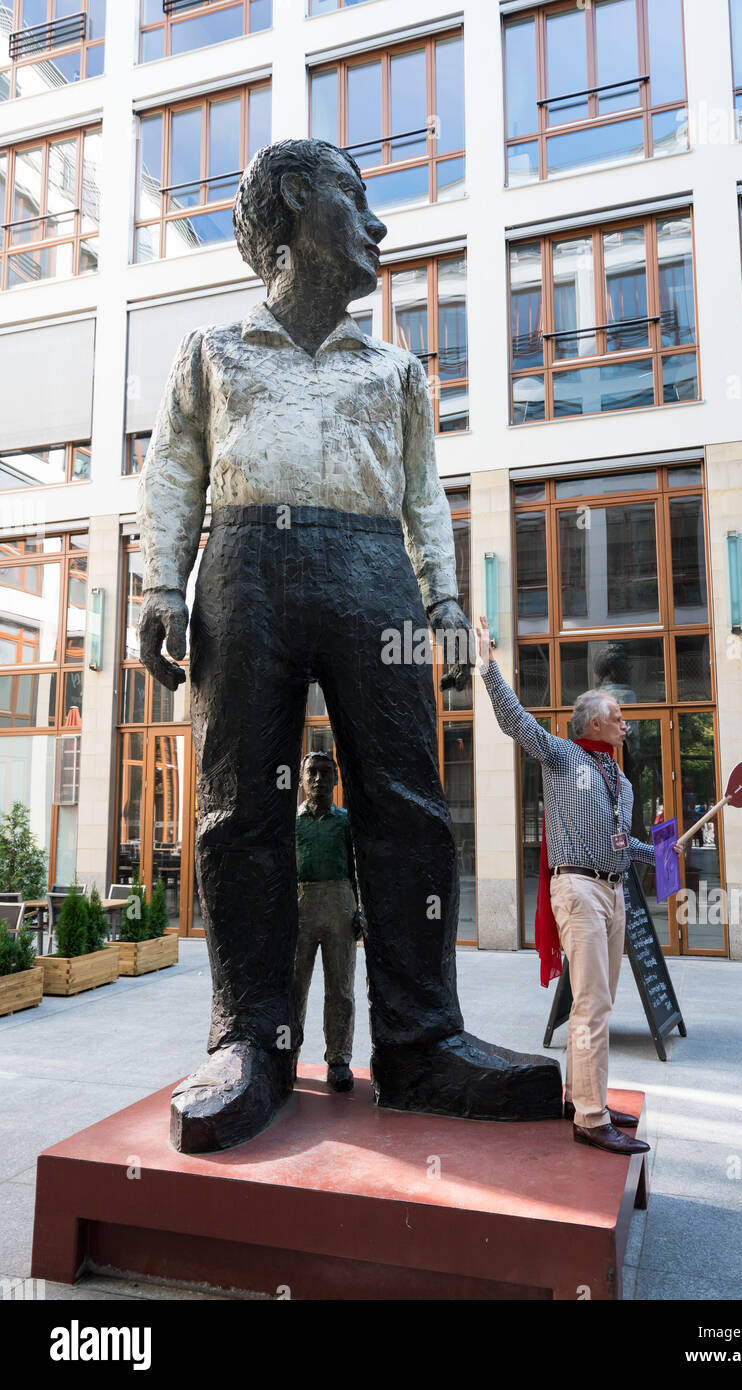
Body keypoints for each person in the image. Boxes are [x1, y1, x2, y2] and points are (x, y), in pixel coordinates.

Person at [136, 138, 561, 1152]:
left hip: (376, 577)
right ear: (290, 207)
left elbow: (424, 493)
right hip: (244, 569)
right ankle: (249, 1040)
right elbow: (174, 469)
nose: (378, 224)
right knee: (242, 811)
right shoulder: (214, 352)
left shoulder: (396, 368)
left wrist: (447, 604)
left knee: (408, 803)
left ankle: (421, 1041)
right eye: (355, 198)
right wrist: (161, 583)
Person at [476, 615, 653, 1157]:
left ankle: (584, 1098)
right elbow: (515, 721)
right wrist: (487, 665)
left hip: (615, 890)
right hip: (577, 890)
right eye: (617, 718)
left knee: (599, 1002)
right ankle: (592, 1117)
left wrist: (662, 854)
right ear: (592, 724)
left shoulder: (619, 780)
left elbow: (624, 843)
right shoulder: (562, 756)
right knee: (592, 1004)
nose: (625, 724)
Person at [293, 751, 361, 1093]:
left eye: (325, 773)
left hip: (339, 904)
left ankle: (339, 1060)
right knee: (294, 987)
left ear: (335, 780)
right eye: (312, 773)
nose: (319, 780)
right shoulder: (293, 823)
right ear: (302, 780)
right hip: (301, 906)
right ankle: (286, 1056)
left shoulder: (345, 822)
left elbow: (357, 868)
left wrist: (359, 909)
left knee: (340, 988)